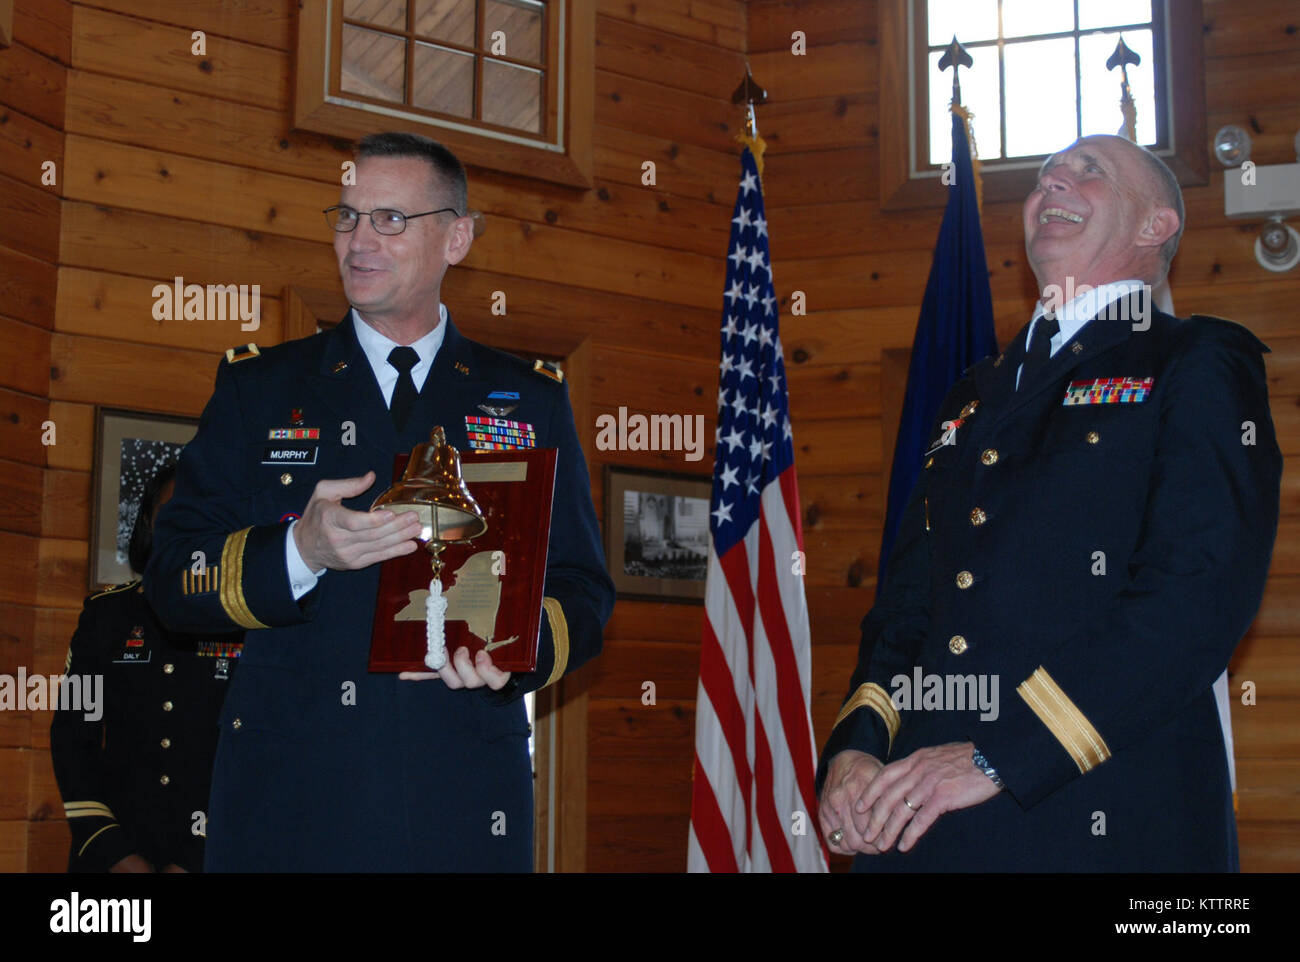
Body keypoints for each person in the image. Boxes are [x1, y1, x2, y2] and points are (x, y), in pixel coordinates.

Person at [145, 131, 614, 872]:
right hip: (290, 801)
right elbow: (174, 579)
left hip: (463, 798)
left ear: (456, 236)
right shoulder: (258, 388)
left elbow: (584, 590)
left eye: (390, 219)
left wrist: (517, 650)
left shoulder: (529, 399)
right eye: (346, 216)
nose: (359, 241)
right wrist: (300, 552)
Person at [817, 134, 1281, 871]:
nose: (1051, 184)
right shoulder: (972, 394)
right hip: (917, 829)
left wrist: (1001, 756)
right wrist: (857, 748)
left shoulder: (1195, 361)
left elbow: (1198, 596)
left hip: (1102, 821)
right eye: (1043, 178)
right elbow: (908, 610)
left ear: (1155, 225)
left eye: (1087, 173)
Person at [51, 464, 243, 873]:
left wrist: (196, 856)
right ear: (149, 523)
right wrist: (113, 852)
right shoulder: (106, 617)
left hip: (216, 850)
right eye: (174, 513)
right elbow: (72, 738)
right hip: (112, 853)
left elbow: (256, 750)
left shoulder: (248, 621)